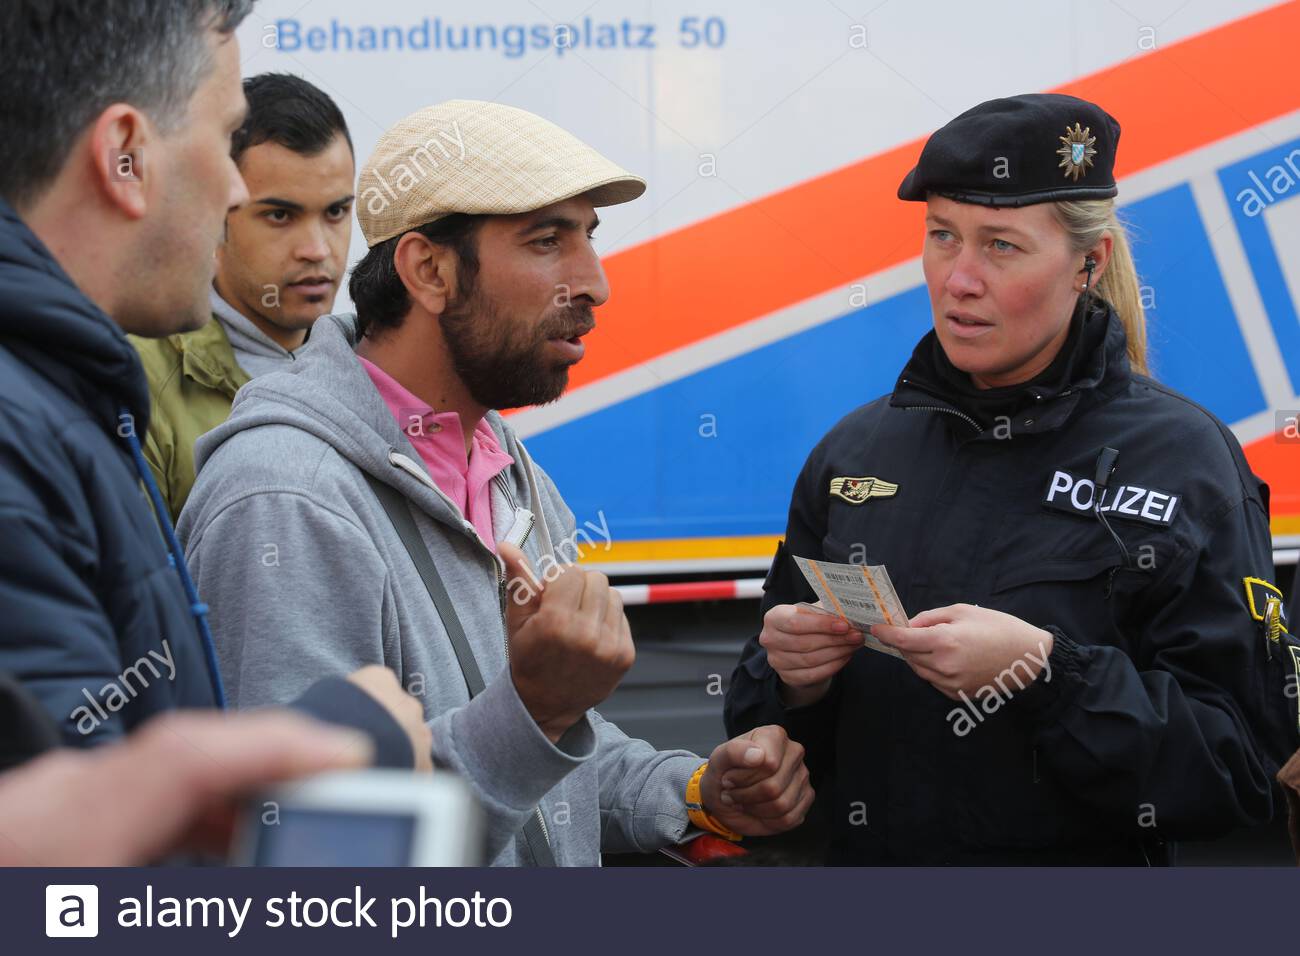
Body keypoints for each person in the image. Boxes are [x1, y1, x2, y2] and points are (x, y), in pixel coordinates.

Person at [180, 100, 813, 866]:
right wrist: (534, 709)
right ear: (428, 270)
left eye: (589, 237)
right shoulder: (286, 499)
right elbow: (307, 859)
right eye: (547, 240)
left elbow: (544, 779)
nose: (594, 283)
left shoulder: (505, 465)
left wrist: (688, 792)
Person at [724, 93, 1300, 864]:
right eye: (941, 237)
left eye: (1000, 246)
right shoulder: (855, 452)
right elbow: (769, 727)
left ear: (1087, 266)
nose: (958, 279)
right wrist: (789, 690)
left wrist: (1048, 674)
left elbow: (1240, 768)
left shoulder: (1185, 460)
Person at [0, 0, 429, 769]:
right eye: (225, 144)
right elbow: (75, 853)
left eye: (338, 212)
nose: (231, 191)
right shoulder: (43, 419)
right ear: (126, 156)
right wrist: (347, 739)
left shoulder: (72, 388)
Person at [131, 72, 357, 520]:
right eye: (280, 215)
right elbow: (134, 584)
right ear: (217, 209)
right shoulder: (137, 381)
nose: (316, 249)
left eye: (336, 212)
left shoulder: (375, 366)